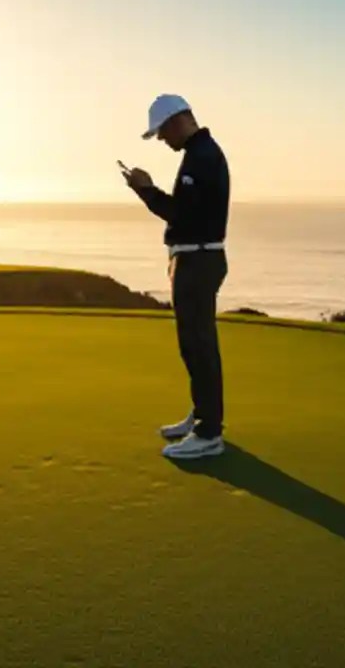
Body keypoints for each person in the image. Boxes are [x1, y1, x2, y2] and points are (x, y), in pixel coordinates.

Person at [122, 94, 230, 460]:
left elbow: (180, 215)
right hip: (196, 260)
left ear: (177, 121)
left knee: (199, 346)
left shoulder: (200, 158)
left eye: (163, 133)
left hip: (197, 262)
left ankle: (209, 432)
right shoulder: (199, 155)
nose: (163, 141)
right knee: (192, 346)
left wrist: (145, 191)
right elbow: (186, 212)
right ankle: (202, 416)